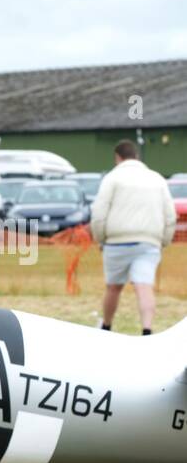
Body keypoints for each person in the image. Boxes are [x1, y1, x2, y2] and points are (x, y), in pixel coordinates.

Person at [91, 139, 176, 334]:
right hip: (149, 242)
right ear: (136, 156)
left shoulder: (112, 178)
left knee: (113, 288)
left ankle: (106, 326)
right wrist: (163, 240)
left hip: (116, 242)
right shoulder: (156, 178)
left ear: (117, 158)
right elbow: (170, 215)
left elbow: (99, 213)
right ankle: (147, 329)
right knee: (144, 287)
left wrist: (101, 238)